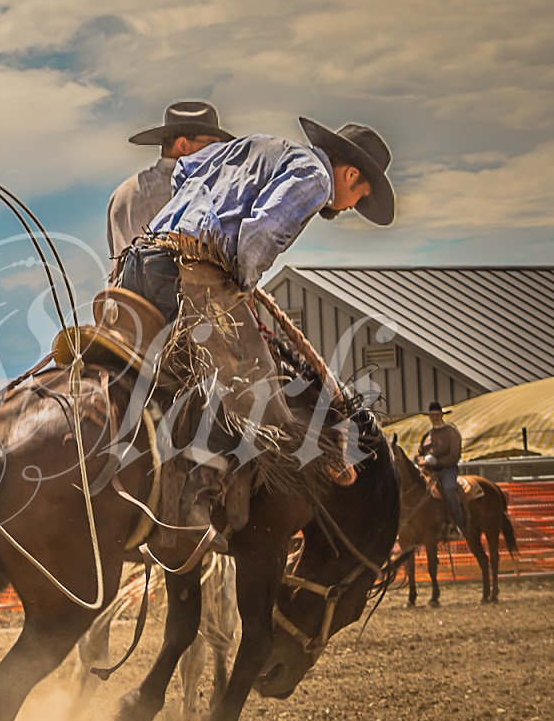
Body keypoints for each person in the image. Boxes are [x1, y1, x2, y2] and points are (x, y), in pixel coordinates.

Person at [114, 118, 396, 522]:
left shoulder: (259, 145)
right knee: (251, 383)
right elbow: (260, 236)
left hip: (140, 260)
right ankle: (198, 491)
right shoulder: (315, 178)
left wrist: (194, 217)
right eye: (358, 195)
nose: (351, 206)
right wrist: (240, 284)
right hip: (189, 273)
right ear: (350, 173)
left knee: (161, 370)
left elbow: (184, 172)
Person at [106, 100, 233, 260]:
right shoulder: (199, 192)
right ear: (183, 145)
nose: (219, 152)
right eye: (212, 144)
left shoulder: (125, 191)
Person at [419, 400, 467, 534]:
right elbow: (419, 454)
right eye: (432, 415)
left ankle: (459, 525)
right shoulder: (427, 435)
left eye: (437, 414)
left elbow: (454, 455)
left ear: (442, 415)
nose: (434, 417)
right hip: (429, 470)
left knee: (449, 488)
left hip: (448, 469)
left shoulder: (451, 432)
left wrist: (437, 462)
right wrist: (423, 461)